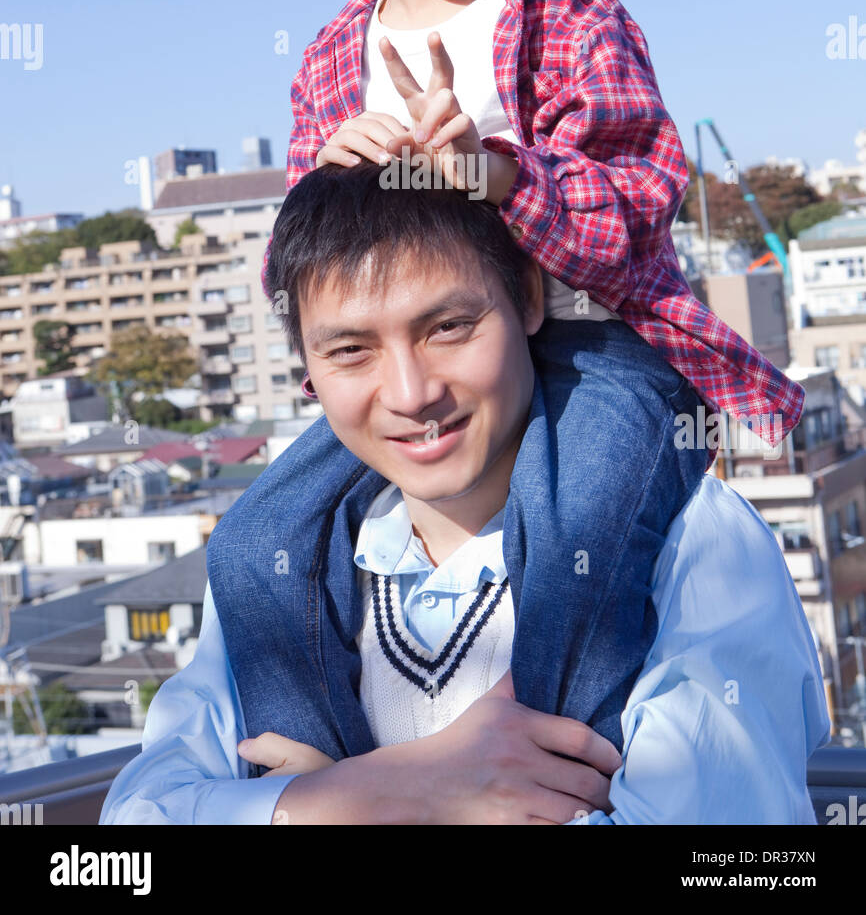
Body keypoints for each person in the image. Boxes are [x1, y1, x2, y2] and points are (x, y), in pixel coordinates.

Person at [256, 0, 805, 748]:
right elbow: (301, 272)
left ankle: (556, 768)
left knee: (580, 533)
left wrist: (499, 173)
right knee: (254, 539)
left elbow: (640, 204)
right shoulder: (330, 58)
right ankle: (317, 769)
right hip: (428, 365)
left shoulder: (569, 10)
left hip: (598, 343)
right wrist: (321, 189)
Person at [101, 165, 829, 826]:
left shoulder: (692, 539)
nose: (411, 393)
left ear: (529, 298)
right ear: (306, 367)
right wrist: (380, 793)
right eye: (350, 350)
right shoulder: (279, 568)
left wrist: (318, 805)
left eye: (449, 327)